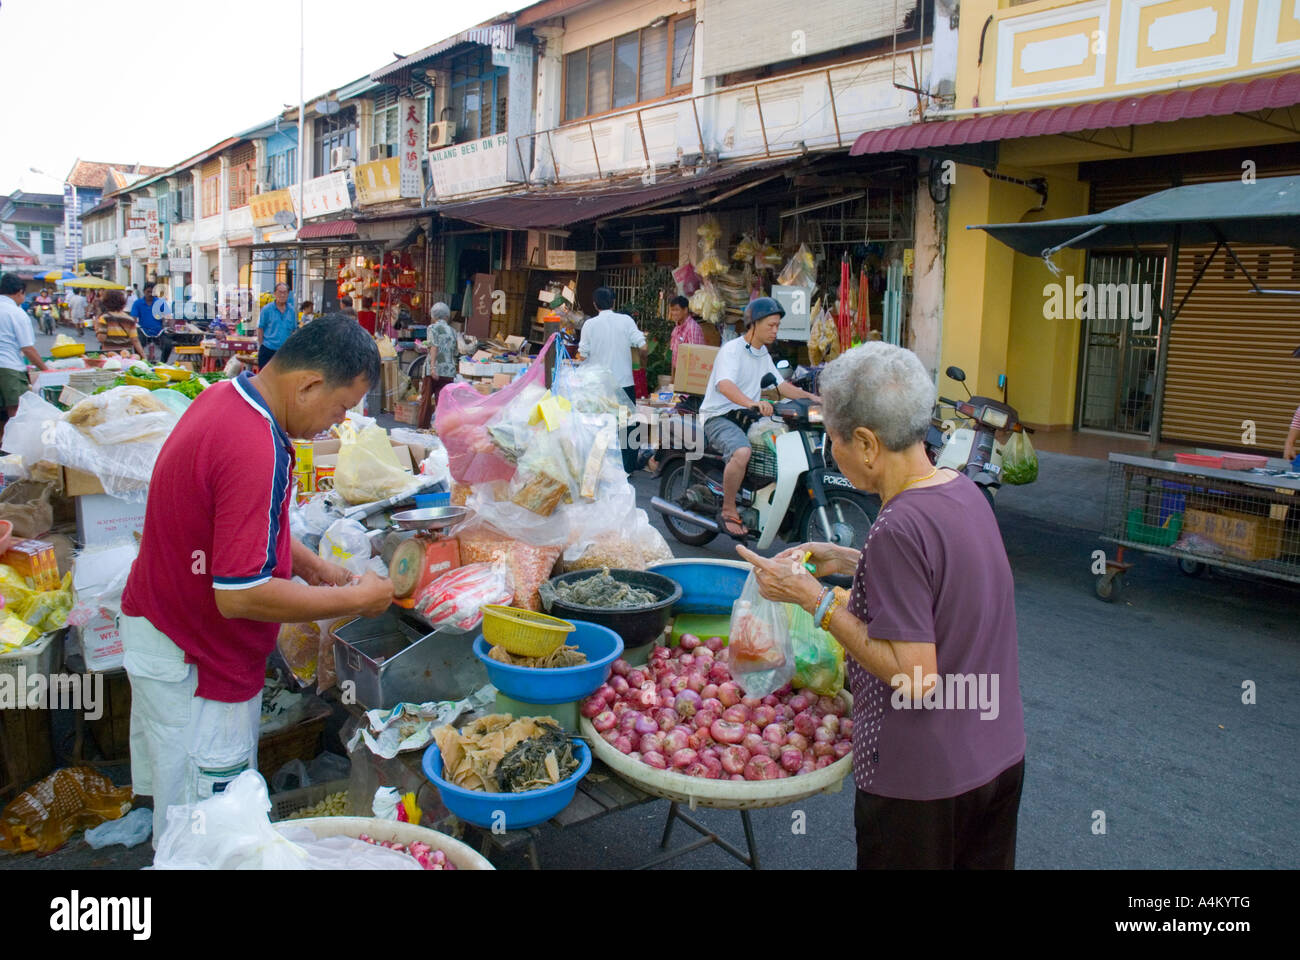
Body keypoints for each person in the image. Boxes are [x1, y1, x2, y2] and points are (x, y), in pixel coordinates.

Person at [736, 341, 1026, 869]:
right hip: (998, 759)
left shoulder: (898, 526)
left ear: (867, 444)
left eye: (833, 442)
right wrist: (845, 555)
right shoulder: (962, 493)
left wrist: (813, 599)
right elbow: (938, 576)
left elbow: (915, 676)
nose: (833, 454)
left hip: (924, 784)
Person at [119, 315, 395, 847]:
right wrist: (355, 598)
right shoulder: (255, 444)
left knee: (184, 809)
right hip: (195, 659)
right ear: (309, 383)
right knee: (203, 831)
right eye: (339, 408)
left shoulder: (229, 398)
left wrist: (311, 564)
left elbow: (231, 519)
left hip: (165, 635)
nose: (336, 423)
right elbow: (239, 594)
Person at [697, 296, 818, 539]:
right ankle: (729, 508)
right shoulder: (732, 350)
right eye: (770, 325)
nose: (775, 330)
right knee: (742, 452)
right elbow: (725, 385)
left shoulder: (762, 354)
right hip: (719, 416)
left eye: (777, 326)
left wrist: (814, 399)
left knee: (776, 447)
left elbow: (782, 386)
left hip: (747, 416)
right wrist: (752, 402)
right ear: (753, 324)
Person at [578, 286, 647, 473]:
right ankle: (627, 469)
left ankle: (598, 469)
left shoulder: (590, 325)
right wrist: (641, 363)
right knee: (628, 427)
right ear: (614, 302)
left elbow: (582, 355)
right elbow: (643, 345)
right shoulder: (626, 321)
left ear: (594, 304)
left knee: (598, 426)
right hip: (624, 384)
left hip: (599, 386)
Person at [0, 274, 49, 420]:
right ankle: (14, 443)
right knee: (15, 414)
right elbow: (27, 349)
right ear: (19, 292)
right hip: (9, 368)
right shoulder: (16, 313)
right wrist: (47, 370)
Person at [419, 302, 457, 430]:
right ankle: (443, 429)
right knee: (443, 402)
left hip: (433, 371)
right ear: (447, 316)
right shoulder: (453, 331)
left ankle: (422, 428)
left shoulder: (432, 328)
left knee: (426, 400)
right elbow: (455, 351)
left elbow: (434, 346)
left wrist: (433, 367)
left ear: (433, 316)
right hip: (449, 371)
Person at [257, 282, 297, 369]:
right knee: (265, 380)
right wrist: (261, 345)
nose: (282, 295)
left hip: (284, 352)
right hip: (268, 350)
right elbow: (260, 328)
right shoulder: (267, 309)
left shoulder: (291, 311)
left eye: (285, 292)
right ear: (275, 294)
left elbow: (293, 331)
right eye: (280, 292)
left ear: (288, 294)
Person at [94, 289, 144, 355]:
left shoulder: (104, 318)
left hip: (109, 354)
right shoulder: (130, 319)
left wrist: (96, 326)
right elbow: (135, 340)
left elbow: (101, 338)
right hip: (126, 355)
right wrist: (143, 356)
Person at [132, 282, 173, 362]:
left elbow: (168, 316)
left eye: (152, 292)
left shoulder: (161, 302)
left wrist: (169, 326)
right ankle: (141, 362)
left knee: (168, 344)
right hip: (143, 330)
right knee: (137, 344)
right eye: (148, 292)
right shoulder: (137, 303)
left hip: (159, 331)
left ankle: (163, 363)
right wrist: (132, 327)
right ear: (144, 291)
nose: (150, 294)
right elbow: (133, 318)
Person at [667, 294, 705, 369]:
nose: (673, 313)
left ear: (685, 310)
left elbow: (695, 356)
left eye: (677, 310)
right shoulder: (676, 329)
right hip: (678, 373)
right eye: (672, 310)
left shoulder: (692, 328)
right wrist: (673, 378)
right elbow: (673, 356)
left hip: (688, 373)